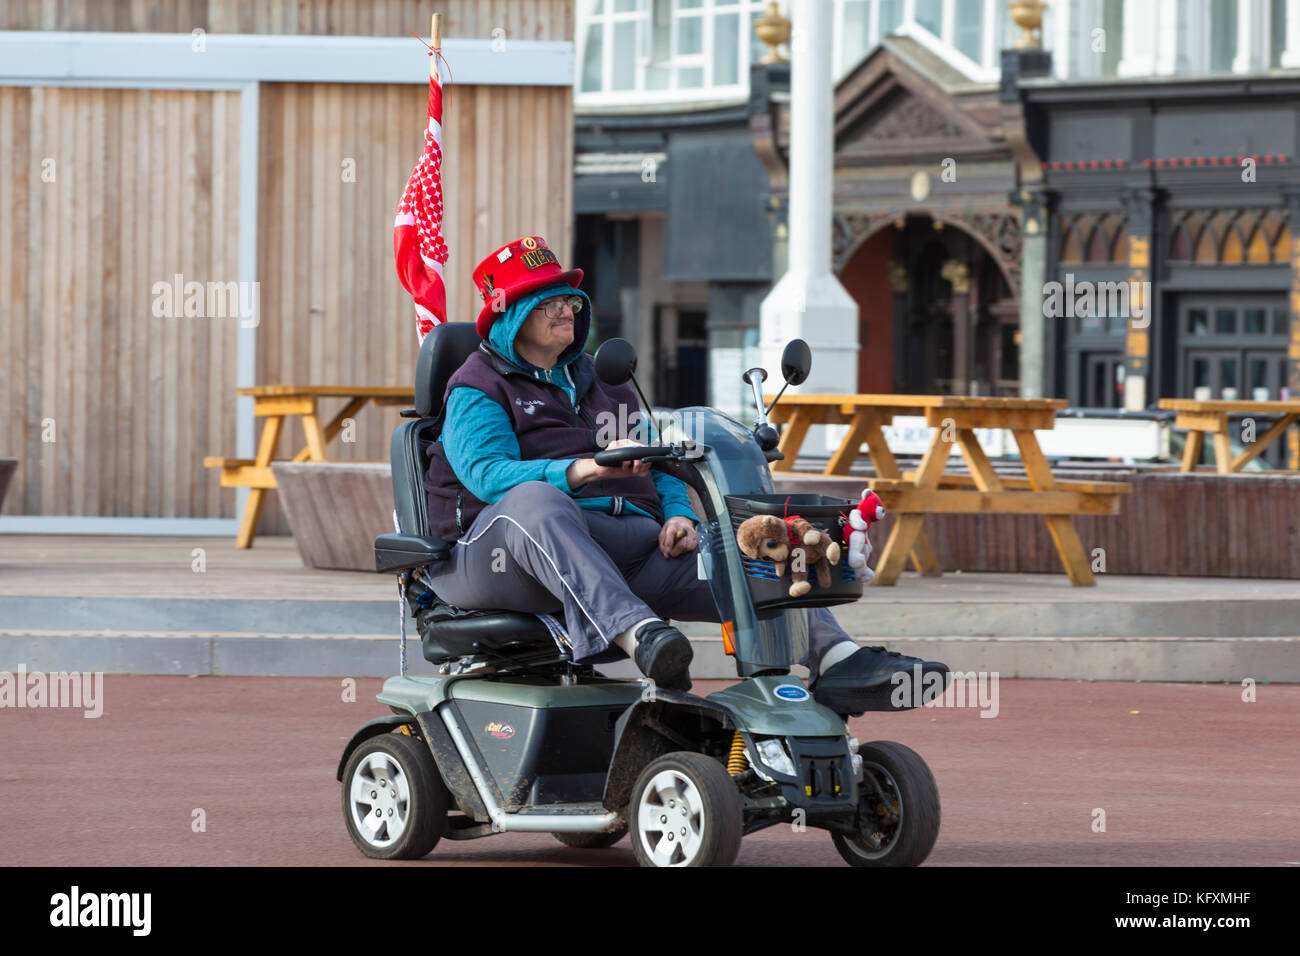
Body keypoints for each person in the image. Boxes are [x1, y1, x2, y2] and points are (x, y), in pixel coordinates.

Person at [422, 236, 947, 710]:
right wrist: (584, 470)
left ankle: (839, 660)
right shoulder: (477, 384)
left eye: (569, 297)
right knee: (537, 500)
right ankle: (640, 635)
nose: (568, 306)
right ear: (511, 313)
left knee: (736, 550)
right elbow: (488, 475)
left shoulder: (605, 380)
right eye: (549, 299)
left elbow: (661, 465)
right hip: (498, 558)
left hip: (625, 549)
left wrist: (679, 516)